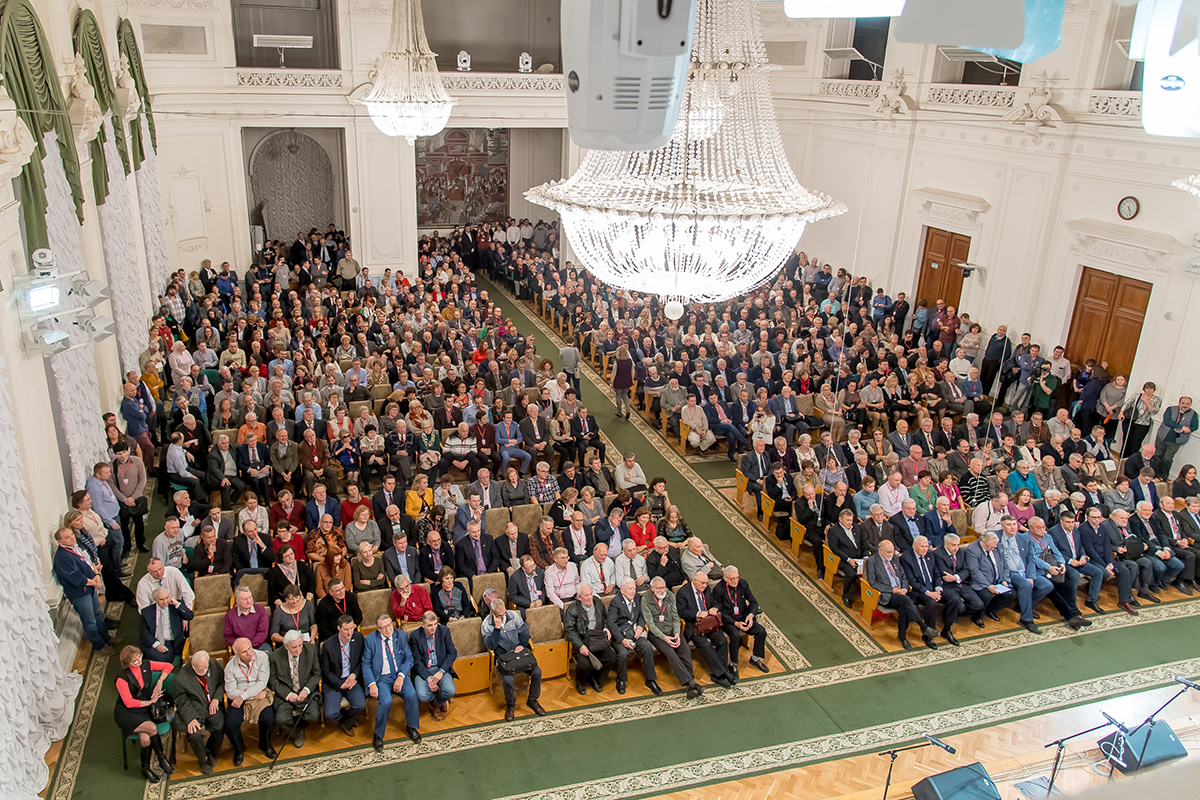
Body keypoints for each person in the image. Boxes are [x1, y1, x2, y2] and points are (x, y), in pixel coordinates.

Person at [113, 646, 175, 783]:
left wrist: (160, 681)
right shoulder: (121, 678)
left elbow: (168, 666)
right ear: (127, 663)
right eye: (134, 661)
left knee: (146, 739)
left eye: (139, 657)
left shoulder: (146, 664)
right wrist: (150, 702)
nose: (138, 662)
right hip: (126, 713)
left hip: (142, 709)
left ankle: (145, 769)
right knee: (152, 729)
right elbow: (129, 703)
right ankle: (162, 759)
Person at [363, 613, 422, 750]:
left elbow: (409, 659)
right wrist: (372, 684)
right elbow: (365, 665)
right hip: (381, 678)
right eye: (383, 628)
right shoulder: (370, 640)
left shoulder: (400, 635)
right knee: (386, 701)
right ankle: (378, 735)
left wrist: (401, 676)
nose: (388, 630)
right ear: (378, 629)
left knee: (412, 695)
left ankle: (412, 727)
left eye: (389, 625)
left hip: (398, 674)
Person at [52, 526, 113, 655]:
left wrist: (96, 575)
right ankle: (99, 646)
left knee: (98, 614)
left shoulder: (75, 547)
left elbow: (88, 562)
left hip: (90, 587)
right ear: (59, 542)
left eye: (72, 535)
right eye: (67, 537)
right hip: (80, 593)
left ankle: (106, 638)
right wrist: (93, 582)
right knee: (89, 621)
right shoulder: (62, 557)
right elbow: (75, 577)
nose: (72, 538)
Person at [482, 598, 546, 720]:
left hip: (519, 653)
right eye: (499, 615)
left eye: (504, 614)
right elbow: (490, 646)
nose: (502, 617)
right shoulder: (486, 624)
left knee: (537, 672)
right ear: (492, 613)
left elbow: (525, 632)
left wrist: (521, 644)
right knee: (508, 680)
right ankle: (510, 705)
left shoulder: (513, 616)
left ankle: (533, 700)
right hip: (504, 659)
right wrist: (497, 628)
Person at [642, 577, 704, 699]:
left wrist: (676, 633)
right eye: (659, 588)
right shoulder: (646, 599)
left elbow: (676, 617)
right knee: (670, 652)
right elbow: (650, 624)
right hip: (657, 634)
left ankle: (689, 685)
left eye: (663, 587)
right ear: (652, 588)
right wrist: (664, 637)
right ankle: (691, 683)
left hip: (672, 630)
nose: (662, 590)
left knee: (685, 648)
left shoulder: (670, 595)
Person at [224, 636, 277, 763]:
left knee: (268, 719)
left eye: (250, 648)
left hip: (257, 694)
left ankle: (265, 745)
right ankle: (239, 749)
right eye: (244, 652)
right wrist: (250, 696)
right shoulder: (230, 667)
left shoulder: (262, 657)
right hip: (242, 697)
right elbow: (231, 692)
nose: (249, 653)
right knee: (230, 724)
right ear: (236, 653)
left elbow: (262, 683)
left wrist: (243, 696)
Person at [710, 566, 769, 675]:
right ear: (725, 578)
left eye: (737, 578)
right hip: (728, 620)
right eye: (732, 579)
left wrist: (751, 615)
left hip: (743, 616)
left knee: (761, 631)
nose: (735, 581)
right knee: (735, 635)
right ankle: (733, 663)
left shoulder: (743, 584)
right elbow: (719, 612)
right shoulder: (719, 589)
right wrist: (735, 623)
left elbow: (753, 602)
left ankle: (755, 658)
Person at [173, 650, 225, 774]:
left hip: (211, 706)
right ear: (192, 664)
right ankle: (202, 760)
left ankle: (210, 752)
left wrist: (217, 699)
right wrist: (190, 718)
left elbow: (221, 683)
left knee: (220, 724)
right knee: (195, 734)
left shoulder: (213, 664)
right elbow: (181, 700)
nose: (204, 670)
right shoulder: (181, 677)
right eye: (200, 668)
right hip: (194, 710)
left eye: (206, 667)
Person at [268, 630, 321, 748]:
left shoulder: (311, 650)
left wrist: (306, 689)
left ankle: (300, 726)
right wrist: (287, 694)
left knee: (313, 715)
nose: (298, 650)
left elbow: (317, 673)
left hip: (305, 693)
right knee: (281, 720)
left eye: (300, 645)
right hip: (285, 695)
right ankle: (296, 733)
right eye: (294, 647)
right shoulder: (275, 656)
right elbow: (272, 681)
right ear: (286, 647)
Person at [563, 582, 617, 694]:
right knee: (584, 664)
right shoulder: (572, 609)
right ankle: (581, 682)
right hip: (582, 641)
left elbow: (605, 619)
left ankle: (595, 678)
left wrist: (606, 628)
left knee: (611, 657)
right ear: (579, 597)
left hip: (597, 639)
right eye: (585, 595)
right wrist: (580, 645)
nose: (589, 598)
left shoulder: (598, 603)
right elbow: (569, 631)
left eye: (590, 594)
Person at [320, 615, 367, 735]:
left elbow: (360, 661)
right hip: (334, 682)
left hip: (351, 680)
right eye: (346, 629)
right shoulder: (328, 645)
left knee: (360, 704)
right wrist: (340, 684)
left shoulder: (358, 638)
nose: (350, 632)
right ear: (339, 628)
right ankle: (344, 718)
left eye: (352, 628)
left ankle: (347, 724)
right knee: (330, 714)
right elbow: (325, 671)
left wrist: (354, 675)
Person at [409, 611, 458, 720]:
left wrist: (441, 672)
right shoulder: (415, 636)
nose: (433, 628)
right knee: (423, 696)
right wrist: (429, 679)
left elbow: (452, 653)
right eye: (430, 625)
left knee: (450, 691)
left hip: (440, 668)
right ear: (422, 625)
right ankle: (438, 696)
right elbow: (416, 661)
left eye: (435, 624)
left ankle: (436, 704)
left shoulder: (444, 631)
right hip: (423, 670)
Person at [139, 586, 193, 663]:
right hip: (155, 642)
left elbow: (190, 616)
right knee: (150, 654)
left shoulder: (176, 606)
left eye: (167, 598)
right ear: (155, 599)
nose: (165, 602)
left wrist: (177, 604)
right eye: (161, 599)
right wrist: (156, 644)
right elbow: (143, 633)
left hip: (171, 642)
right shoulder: (147, 611)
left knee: (164, 658)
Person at [223, 585, 270, 650]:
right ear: (237, 601)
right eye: (244, 599)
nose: (248, 601)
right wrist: (241, 646)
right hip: (241, 649)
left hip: (260, 646)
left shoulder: (261, 610)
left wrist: (249, 646)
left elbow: (263, 633)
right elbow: (228, 636)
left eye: (250, 598)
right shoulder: (230, 615)